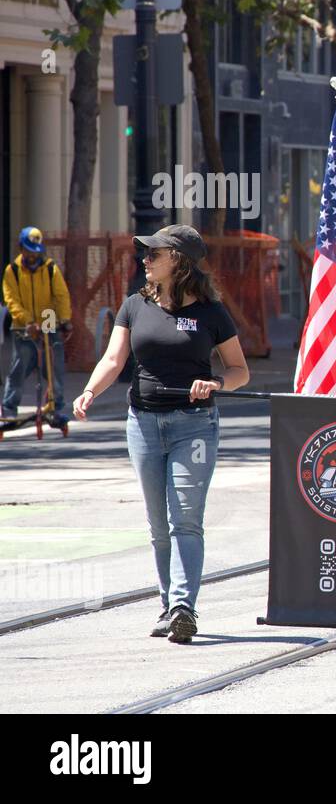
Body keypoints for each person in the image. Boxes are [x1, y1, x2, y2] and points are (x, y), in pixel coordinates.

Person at [72, 225, 249, 643]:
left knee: (185, 519)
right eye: (145, 254)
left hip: (195, 426)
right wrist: (89, 391)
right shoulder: (134, 305)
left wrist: (218, 384)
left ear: (179, 261)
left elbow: (240, 370)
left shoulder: (211, 313)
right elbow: (114, 359)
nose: (145, 260)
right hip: (143, 423)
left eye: (154, 254)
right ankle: (168, 604)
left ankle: (184, 607)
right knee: (158, 523)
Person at [2, 226, 72, 427]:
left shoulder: (50, 268)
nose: (33, 255)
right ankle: (9, 408)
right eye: (29, 250)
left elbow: (61, 295)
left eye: (36, 251)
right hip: (23, 325)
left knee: (53, 366)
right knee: (19, 366)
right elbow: (11, 300)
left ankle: (55, 407)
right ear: (20, 248)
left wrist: (65, 320)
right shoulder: (12, 271)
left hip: (48, 318)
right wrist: (28, 322)